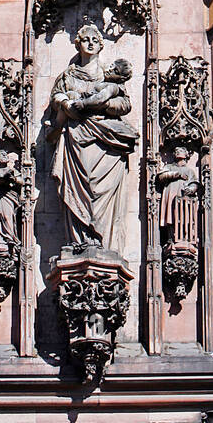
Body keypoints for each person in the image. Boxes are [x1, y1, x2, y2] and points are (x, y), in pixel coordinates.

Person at [48, 23, 138, 254]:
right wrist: (66, 103)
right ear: (78, 44)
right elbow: (56, 99)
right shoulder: (67, 76)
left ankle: (105, 245)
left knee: (103, 197)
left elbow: (124, 104)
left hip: (106, 144)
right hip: (75, 140)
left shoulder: (109, 76)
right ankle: (78, 241)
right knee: (76, 190)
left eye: (94, 40)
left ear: (100, 46)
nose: (89, 43)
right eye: (85, 39)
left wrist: (97, 105)